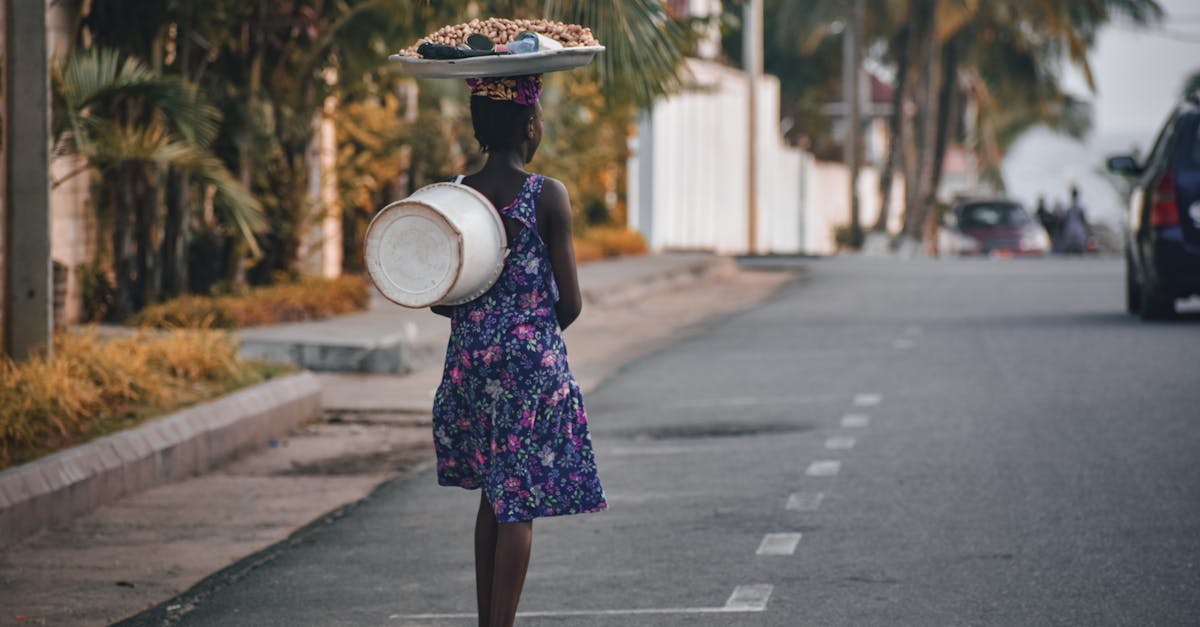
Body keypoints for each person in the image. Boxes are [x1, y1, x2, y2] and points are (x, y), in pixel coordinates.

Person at [429, 73, 607, 627]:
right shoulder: (546, 195)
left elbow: (438, 296)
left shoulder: (453, 195)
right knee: (518, 497)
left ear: (479, 127)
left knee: (494, 494)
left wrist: (483, 322)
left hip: (471, 360)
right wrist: (528, 331)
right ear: (530, 126)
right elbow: (570, 302)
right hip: (529, 362)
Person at [1061, 186, 1091, 254]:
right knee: (1074, 242)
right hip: (1074, 226)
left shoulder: (1073, 205)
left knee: (1074, 242)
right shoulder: (1075, 205)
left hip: (1073, 226)